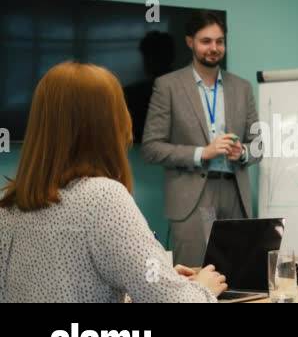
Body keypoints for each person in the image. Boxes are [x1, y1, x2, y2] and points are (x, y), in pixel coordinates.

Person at [0, 62, 227, 303]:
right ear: (108, 124)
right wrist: (203, 289)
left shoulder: (9, 207)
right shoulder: (101, 197)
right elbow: (171, 301)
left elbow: (67, 286)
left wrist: (155, 280)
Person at [142, 11, 262, 267]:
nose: (214, 48)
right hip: (193, 197)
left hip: (234, 193)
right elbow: (151, 148)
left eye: (219, 41)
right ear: (190, 42)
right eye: (206, 41)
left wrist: (242, 153)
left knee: (239, 275)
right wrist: (201, 153)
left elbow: (259, 146)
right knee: (196, 279)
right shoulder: (167, 86)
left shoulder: (242, 88)